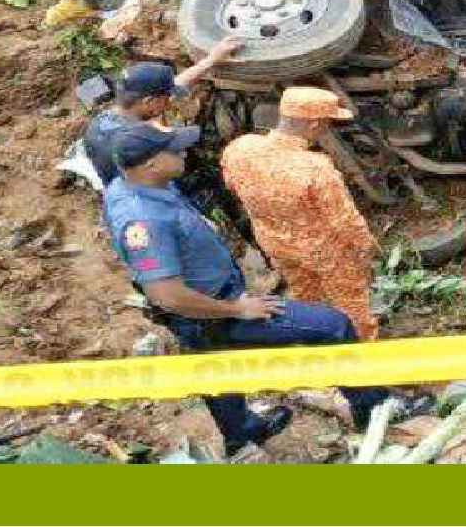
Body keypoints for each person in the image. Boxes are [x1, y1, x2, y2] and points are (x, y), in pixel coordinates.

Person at [103, 121, 410, 456]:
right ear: (150, 164)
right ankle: (374, 408)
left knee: (215, 371)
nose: (184, 151)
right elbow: (166, 295)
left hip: (209, 307)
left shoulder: (137, 185)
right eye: (174, 149)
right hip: (212, 312)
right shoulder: (143, 220)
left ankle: (242, 434)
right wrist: (237, 309)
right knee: (333, 326)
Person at [220, 86, 380, 341]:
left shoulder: (240, 148)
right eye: (327, 122)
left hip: (275, 244)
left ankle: (312, 340)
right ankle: (360, 353)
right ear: (315, 123)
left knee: (303, 296)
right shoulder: (315, 167)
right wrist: (364, 250)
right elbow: (344, 221)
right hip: (326, 252)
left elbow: (233, 187)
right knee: (352, 305)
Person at [82, 38, 241, 186]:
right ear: (148, 101)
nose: (170, 100)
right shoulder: (140, 139)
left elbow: (178, 83)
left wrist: (211, 60)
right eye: (166, 97)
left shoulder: (99, 123)